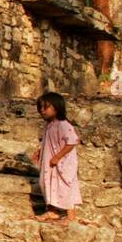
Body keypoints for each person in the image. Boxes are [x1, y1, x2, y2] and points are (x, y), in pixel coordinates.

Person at [32, 91, 81, 224]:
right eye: (40, 108)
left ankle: (71, 215)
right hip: (50, 163)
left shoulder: (63, 125)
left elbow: (72, 141)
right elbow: (49, 141)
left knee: (64, 185)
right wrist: (40, 151)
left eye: (45, 107)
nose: (42, 110)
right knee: (46, 183)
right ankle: (52, 211)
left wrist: (58, 157)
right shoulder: (49, 125)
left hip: (62, 162)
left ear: (57, 107)